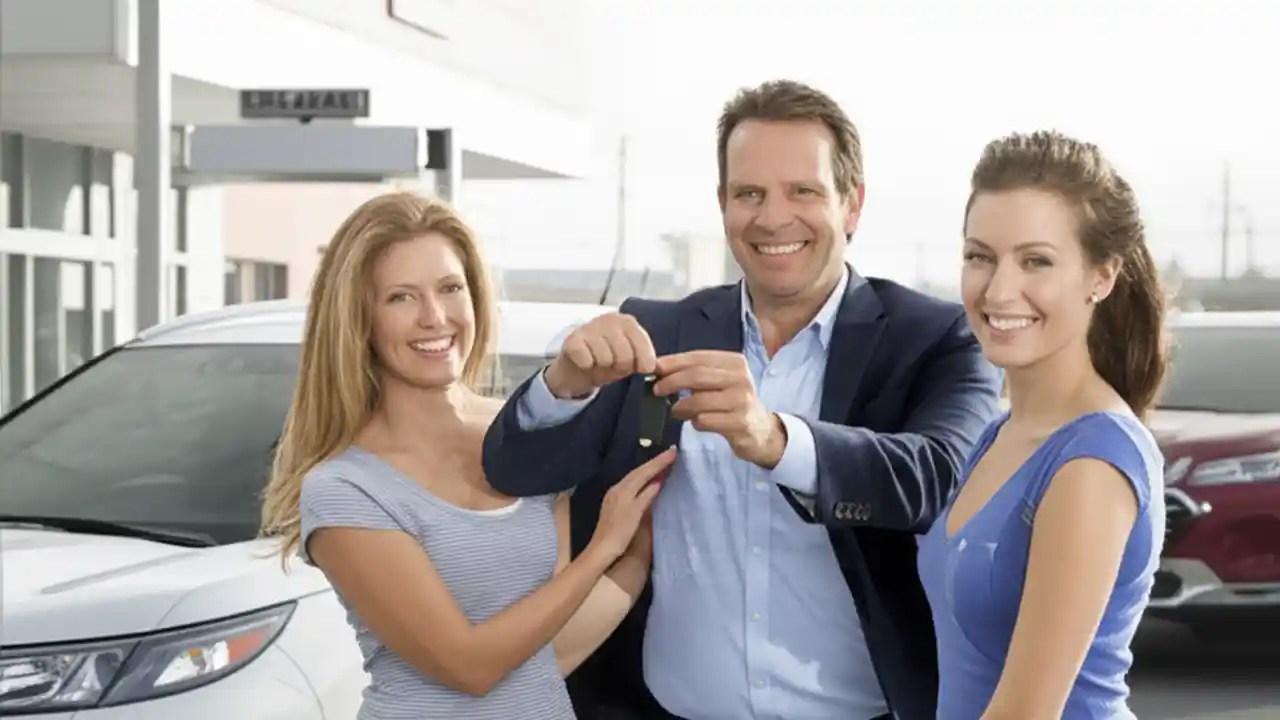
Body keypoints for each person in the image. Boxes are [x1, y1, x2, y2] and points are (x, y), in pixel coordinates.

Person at [482, 80, 1004, 720]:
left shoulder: (934, 338)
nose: (772, 217)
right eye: (749, 193)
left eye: (802, 191)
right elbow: (513, 471)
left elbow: (937, 478)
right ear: (723, 203)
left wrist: (778, 441)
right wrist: (561, 388)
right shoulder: (656, 330)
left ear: (852, 204)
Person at [258, 191, 676, 720]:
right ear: (358, 320)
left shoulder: (527, 432)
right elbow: (470, 667)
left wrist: (637, 550)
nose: (435, 317)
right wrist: (604, 548)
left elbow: (551, 650)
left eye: (450, 288)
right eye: (401, 298)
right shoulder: (344, 488)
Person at [916, 130, 1168, 719]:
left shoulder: (1092, 463)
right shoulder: (1000, 434)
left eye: (1036, 261)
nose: (999, 289)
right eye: (980, 256)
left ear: (1101, 276)